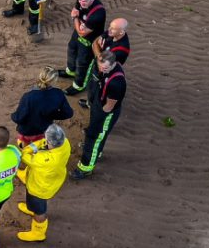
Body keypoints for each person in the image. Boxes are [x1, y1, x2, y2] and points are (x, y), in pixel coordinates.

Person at [72, 52, 127, 180]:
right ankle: (96, 153)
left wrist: (98, 118)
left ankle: (86, 168)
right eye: (100, 65)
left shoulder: (116, 83)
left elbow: (109, 106)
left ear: (114, 64)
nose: (102, 69)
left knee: (94, 138)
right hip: (98, 105)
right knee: (94, 136)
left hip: (105, 113)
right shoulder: (102, 67)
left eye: (105, 68)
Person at [15, 124, 70, 242]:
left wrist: (26, 149)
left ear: (52, 143)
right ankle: (32, 208)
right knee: (34, 203)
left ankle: (38, 232)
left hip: (40, 187)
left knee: (40, 210)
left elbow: (25, 157)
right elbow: (42, 142)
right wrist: (34, 146)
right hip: (51, 180)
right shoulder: (64, 143)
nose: (45, 141)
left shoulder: (45, 160)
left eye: (47, 140)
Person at [58, 0, 106, 96]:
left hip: (90, 40)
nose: (81, 4)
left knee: (82, 62)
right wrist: (79, 23)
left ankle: (78, 85)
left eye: (84, 2)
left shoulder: (98, 13)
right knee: (71, 49)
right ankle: (71, 71)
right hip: (80, 29)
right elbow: (75, 10)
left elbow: (82, 32)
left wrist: (75, 18)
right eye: (79, 1)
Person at [11, 66, 74, 147]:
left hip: (26, 131)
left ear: (40, 77)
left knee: (24, 147)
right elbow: (68, 113)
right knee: (40, 148)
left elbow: (19, 117)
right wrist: (53, 115)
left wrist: (13, 116)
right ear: (54, 80)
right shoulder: (59, 94)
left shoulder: (28, 96)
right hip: (44, 130)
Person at [83, 18, 130, 110]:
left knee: (97, 91)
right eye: (110, 26)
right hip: (100, 66)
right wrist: (99, 54)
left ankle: (93, 106)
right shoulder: (112, 32)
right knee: (92, 87)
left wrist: (98, 55)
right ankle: (90, 103)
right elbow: (95, 42)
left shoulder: (121, 49)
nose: (109, 29)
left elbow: (102, 65)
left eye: (113, 28)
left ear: (121, 32)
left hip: (104, 74)